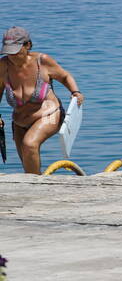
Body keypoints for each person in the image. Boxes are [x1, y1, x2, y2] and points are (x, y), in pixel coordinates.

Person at [0, 26, 84, 174]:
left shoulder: (42, 61)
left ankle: (35, 186)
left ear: (28, 45)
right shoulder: (3, 66)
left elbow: (65, 76)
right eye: (8, 52)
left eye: (16, 52)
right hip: (19, 122)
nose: (12, 56)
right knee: (28, 163)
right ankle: (36, 188)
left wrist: (75, 92)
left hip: (49, 115)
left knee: (30, 144)